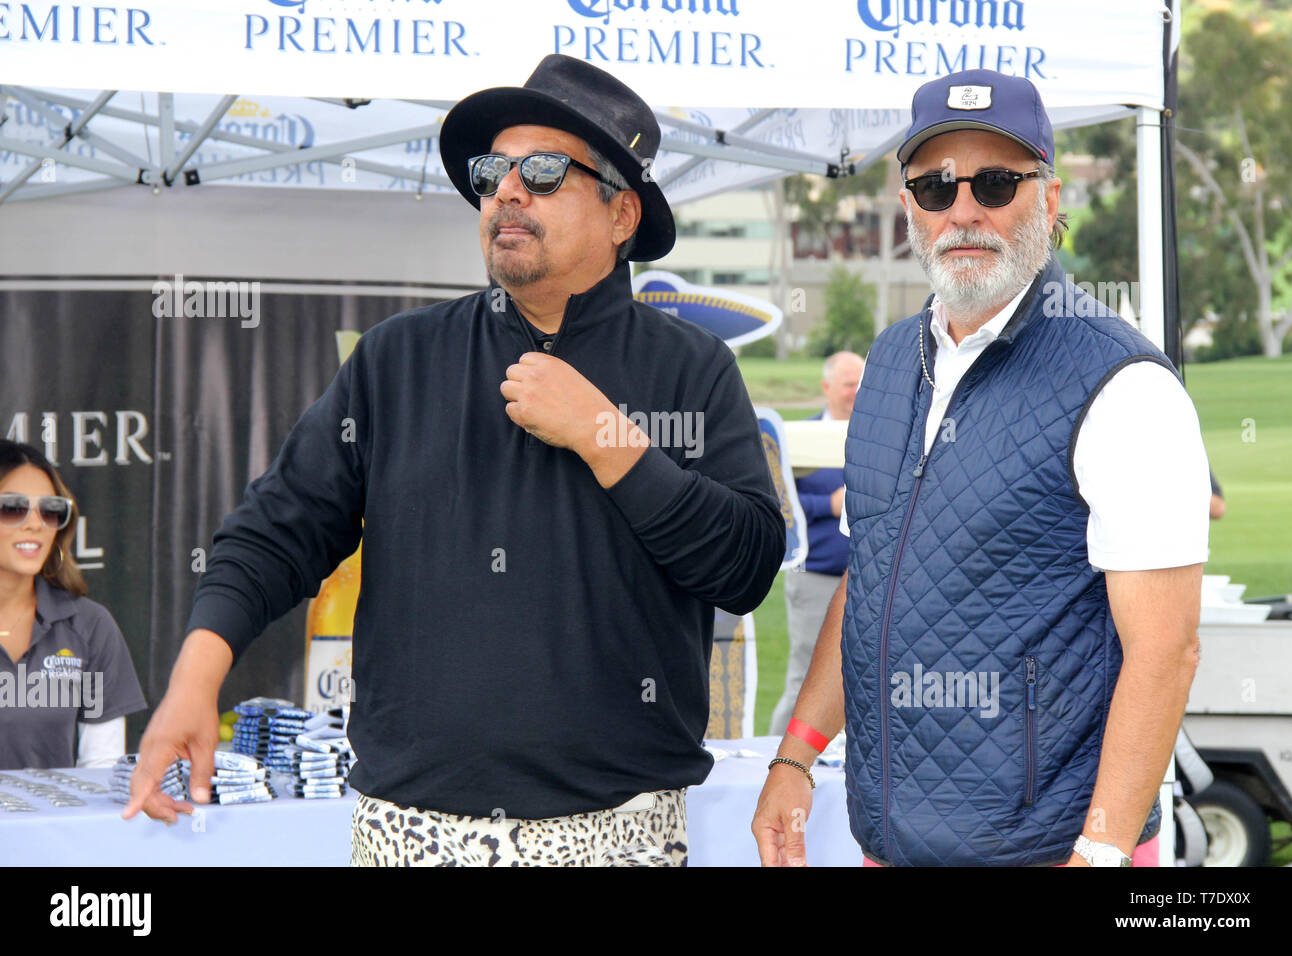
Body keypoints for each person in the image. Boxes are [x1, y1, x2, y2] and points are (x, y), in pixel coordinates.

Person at [125, 54, 785, 866]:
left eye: (542, 171)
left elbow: (747, 567)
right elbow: (277, 532)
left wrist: (604, 435)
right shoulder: (397, 359)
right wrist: (196, 675)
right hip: (412, 831)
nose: (507, 190)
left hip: (621, 832)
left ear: (622, 215)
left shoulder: (692, 369)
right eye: (491, 172)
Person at [752, 69, 1209, 867]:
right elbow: (870, 581)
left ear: (1051, 199)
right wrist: (795, 757)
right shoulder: (891, 361)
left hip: (1050, 853)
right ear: (907, 208)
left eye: (997, 182)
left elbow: (1166, 651)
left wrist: (1099, 853)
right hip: (889, 847)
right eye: (935, 186)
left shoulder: (1125, 383)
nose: (963, 210)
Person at [0, 440, 146, 770]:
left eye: (50, 510)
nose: (35, 524)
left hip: (54, 822)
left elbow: (101, 769)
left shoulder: (90, 627)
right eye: (12, 507)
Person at [769, 351, 864, 735]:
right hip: (815, 580)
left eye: (861, 381)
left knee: (862, 684)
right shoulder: (796, 438)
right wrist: (830, 504)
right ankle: (772, 757)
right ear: (826, 387)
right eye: (848, 383)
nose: (856, 391)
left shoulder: (880, 437)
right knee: (806, 679)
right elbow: (776, 503)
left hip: (866, 582)